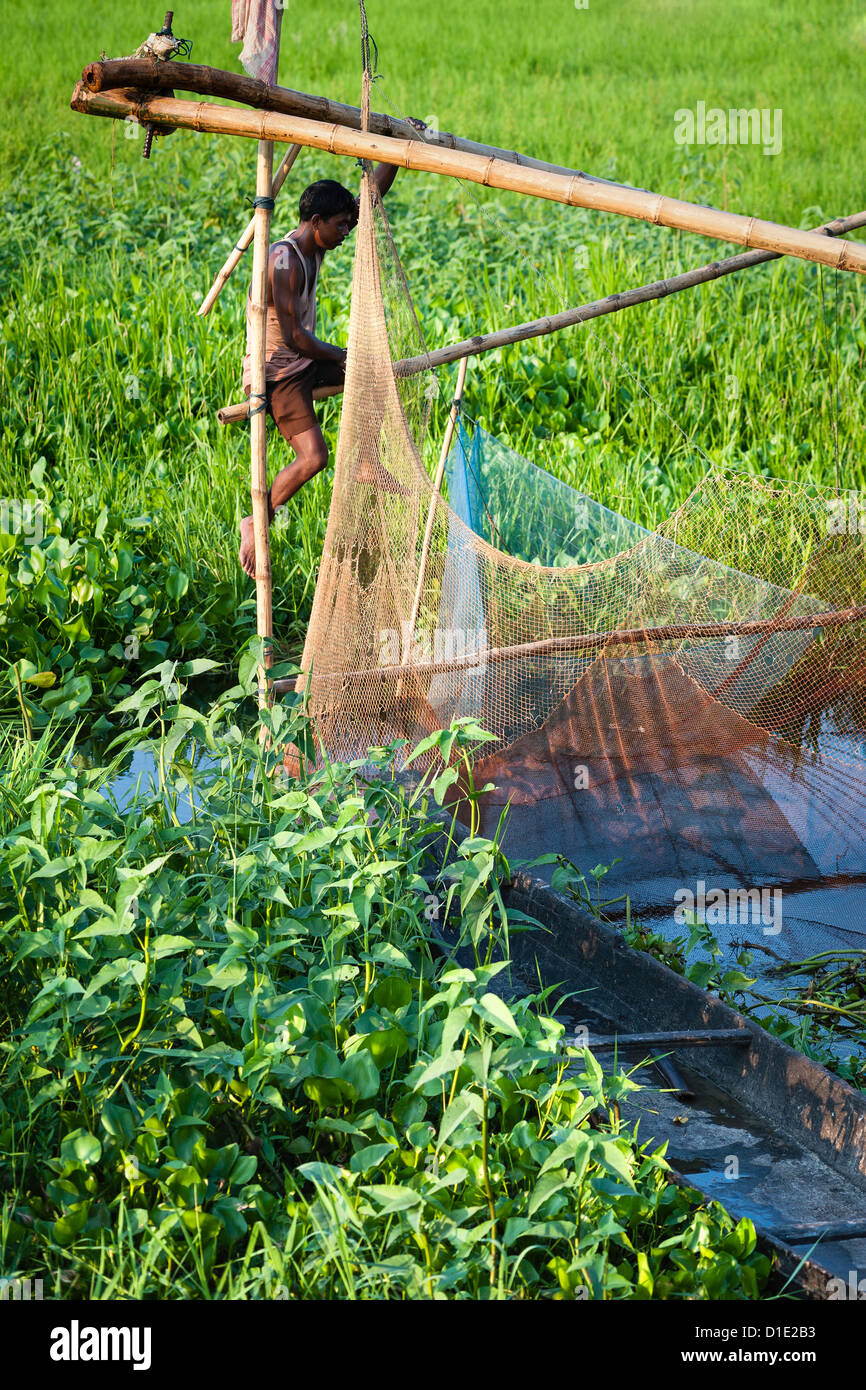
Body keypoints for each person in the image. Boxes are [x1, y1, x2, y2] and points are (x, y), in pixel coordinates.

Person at [238, 162, 400, 578]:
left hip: (305, 362)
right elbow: (293, 337)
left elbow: (365, 203)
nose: (346, 232)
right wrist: (339, 354)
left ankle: (367, 460)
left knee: (374, 370)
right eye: (340, 226)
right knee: (314, 457)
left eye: (348, 225)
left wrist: (396, 152)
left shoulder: (318, 244)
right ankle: (258, 518)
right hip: (278, 372)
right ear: (316, 222)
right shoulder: (283, 261)